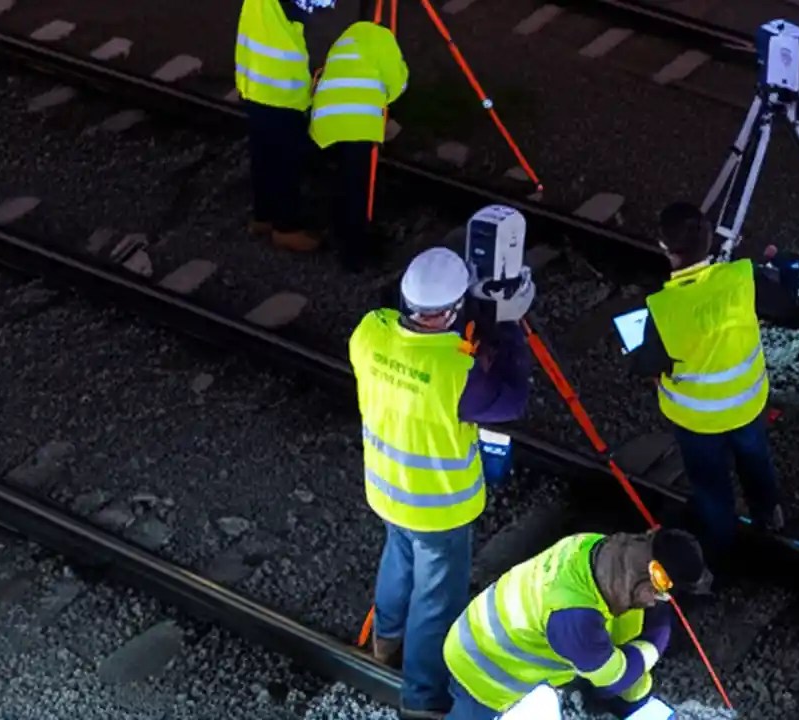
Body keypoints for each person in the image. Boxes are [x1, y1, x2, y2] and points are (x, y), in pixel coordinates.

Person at [348, 246, 535, 719]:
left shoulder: (369, 333)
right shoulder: (457, 372)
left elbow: (393, 327)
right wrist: (509, 326)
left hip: (386, 489)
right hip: (439, 508)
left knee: (398, 558)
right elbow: (510, 400)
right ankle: (423, 700)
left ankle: (385, 643)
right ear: (451, 311)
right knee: (435, 602)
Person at [629, 201, 799, 564]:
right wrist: (787, 268)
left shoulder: (663, 309)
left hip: (698, 422)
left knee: (710, 485)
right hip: (747, 404)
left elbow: (646, 365)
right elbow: (784, 304)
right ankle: (770, 517)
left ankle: (720, 544)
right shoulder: (742, 278)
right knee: (756, 462)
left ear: (664, 248)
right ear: (711, 240)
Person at [442, 528, 710, 719]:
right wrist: (655, 641)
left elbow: (622, 637)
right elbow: (612, 679)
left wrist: (638, 701)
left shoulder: (599, 550)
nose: (655, 604)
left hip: (483, 629)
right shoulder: (577, 619)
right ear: (652, 581)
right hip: (484, 670)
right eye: (659, 596)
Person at [234, 0, 333, 253]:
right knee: (285, 160)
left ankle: (263, 216)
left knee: (263, 152)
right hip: (280, 85)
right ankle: (286, 228)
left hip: (254, 77)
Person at [309, 20, 409, 271]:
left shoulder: (346, 37)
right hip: (357, 123)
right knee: (357, 189)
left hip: (324, 122)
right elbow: (397, 83)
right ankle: (354, 255)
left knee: (340, 182)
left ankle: (337, 231)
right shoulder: (384, 39)